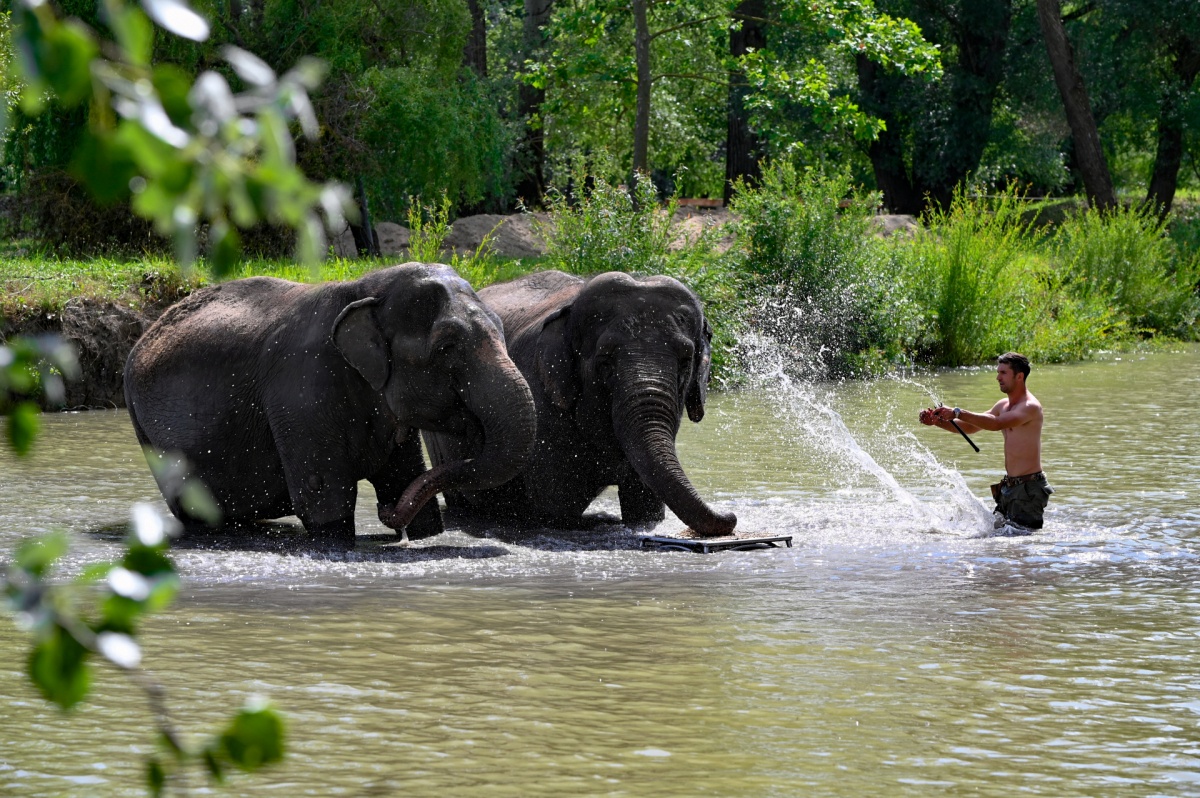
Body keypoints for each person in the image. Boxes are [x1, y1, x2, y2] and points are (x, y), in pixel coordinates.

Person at [919, 352, 1053, 533]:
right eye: (998, 372)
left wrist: (957, 412)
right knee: (1005, 542)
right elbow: (968, 427)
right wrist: (937, 422)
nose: (998, 377)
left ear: (1019, 376)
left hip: (1028, 490)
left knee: (1022, 545)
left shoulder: (1030, 407)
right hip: (1009, 488)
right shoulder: (1002, 405)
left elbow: (996, 424)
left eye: (1003, 373)